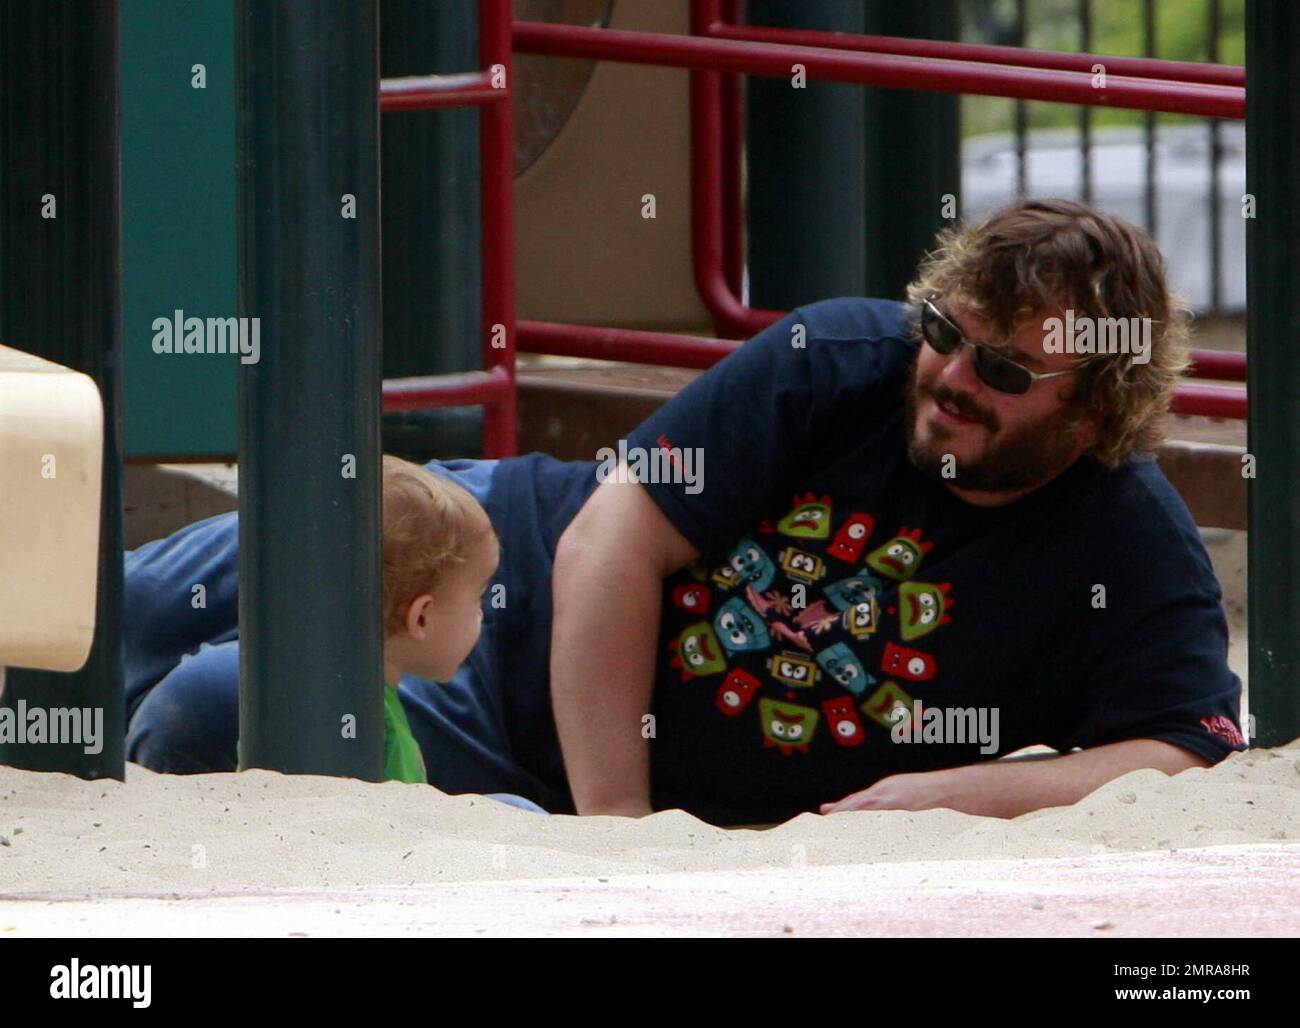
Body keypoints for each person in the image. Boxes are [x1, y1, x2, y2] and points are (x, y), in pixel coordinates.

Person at [127, 199, 1246, 826]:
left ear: (1098, 407)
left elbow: (1188, 748)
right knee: (118, 604)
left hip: (498, 728)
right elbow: (613, 535)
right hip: (487, 542)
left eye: (1003, 371)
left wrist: (954, 791)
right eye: (941, 330)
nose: (950, 374)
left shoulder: (1127, 541)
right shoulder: (842, 358)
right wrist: (620, 828)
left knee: (203, 705)